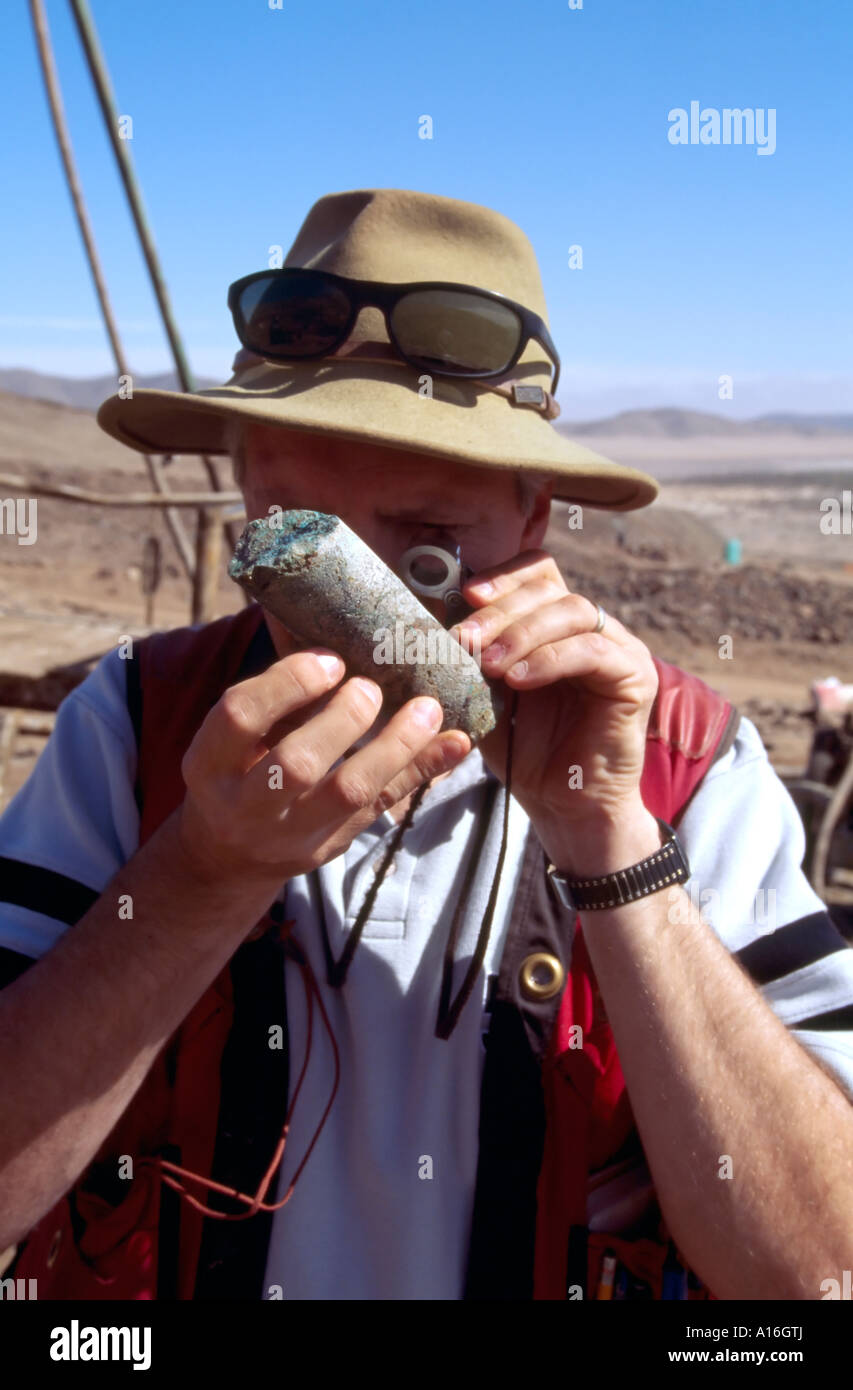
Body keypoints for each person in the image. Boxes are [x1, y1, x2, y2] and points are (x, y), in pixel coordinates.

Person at [1, 188, 852, 1302]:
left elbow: (816, 1272)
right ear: (250, 481)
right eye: (296, 541)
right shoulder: (132, 723)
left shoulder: (687, 763)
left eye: (428, 545)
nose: (353, 610)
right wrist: (202, 876)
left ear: (534, 517)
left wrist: (614, 851)